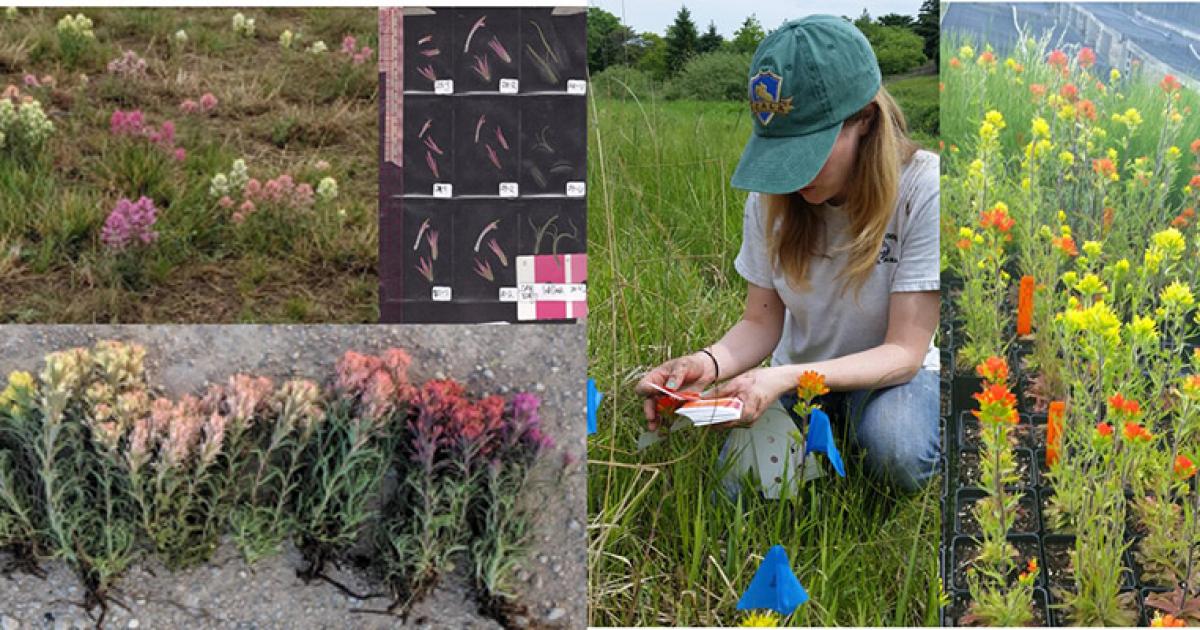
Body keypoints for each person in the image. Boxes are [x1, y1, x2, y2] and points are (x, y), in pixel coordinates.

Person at [635, 15, 940, 496]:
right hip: (791, 378)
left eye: (809, 149)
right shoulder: (770, 200)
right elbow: (760, 323)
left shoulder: (924, 188)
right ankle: (819, 440)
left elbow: (905, 351)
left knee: (895, 447)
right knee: (734, 492)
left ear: (863, 119)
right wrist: (705, 365)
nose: (793, 178)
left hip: (887, 382)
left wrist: (779, 378)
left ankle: (853, 450)